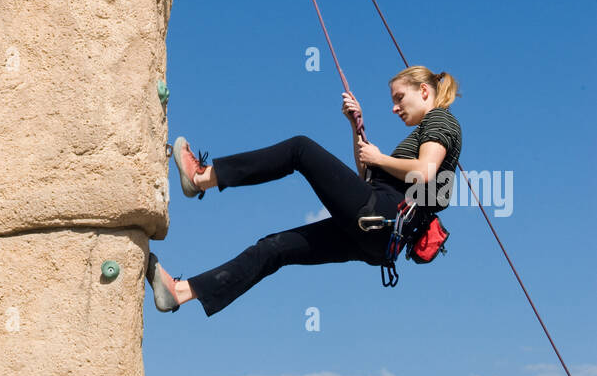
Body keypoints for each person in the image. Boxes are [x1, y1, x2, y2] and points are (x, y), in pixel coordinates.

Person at [146, 65, 462, 315]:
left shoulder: (439, 119)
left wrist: (380, 157)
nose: (395, 108)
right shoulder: (425, 130)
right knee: (275, 248)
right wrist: (356, 128)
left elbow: (424, 172)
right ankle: (180, 293)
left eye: (399, 97)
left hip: (382, 216)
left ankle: (202, 178)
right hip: (377, 231)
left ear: (424, 91)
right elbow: (364, 176)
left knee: (300, 149)